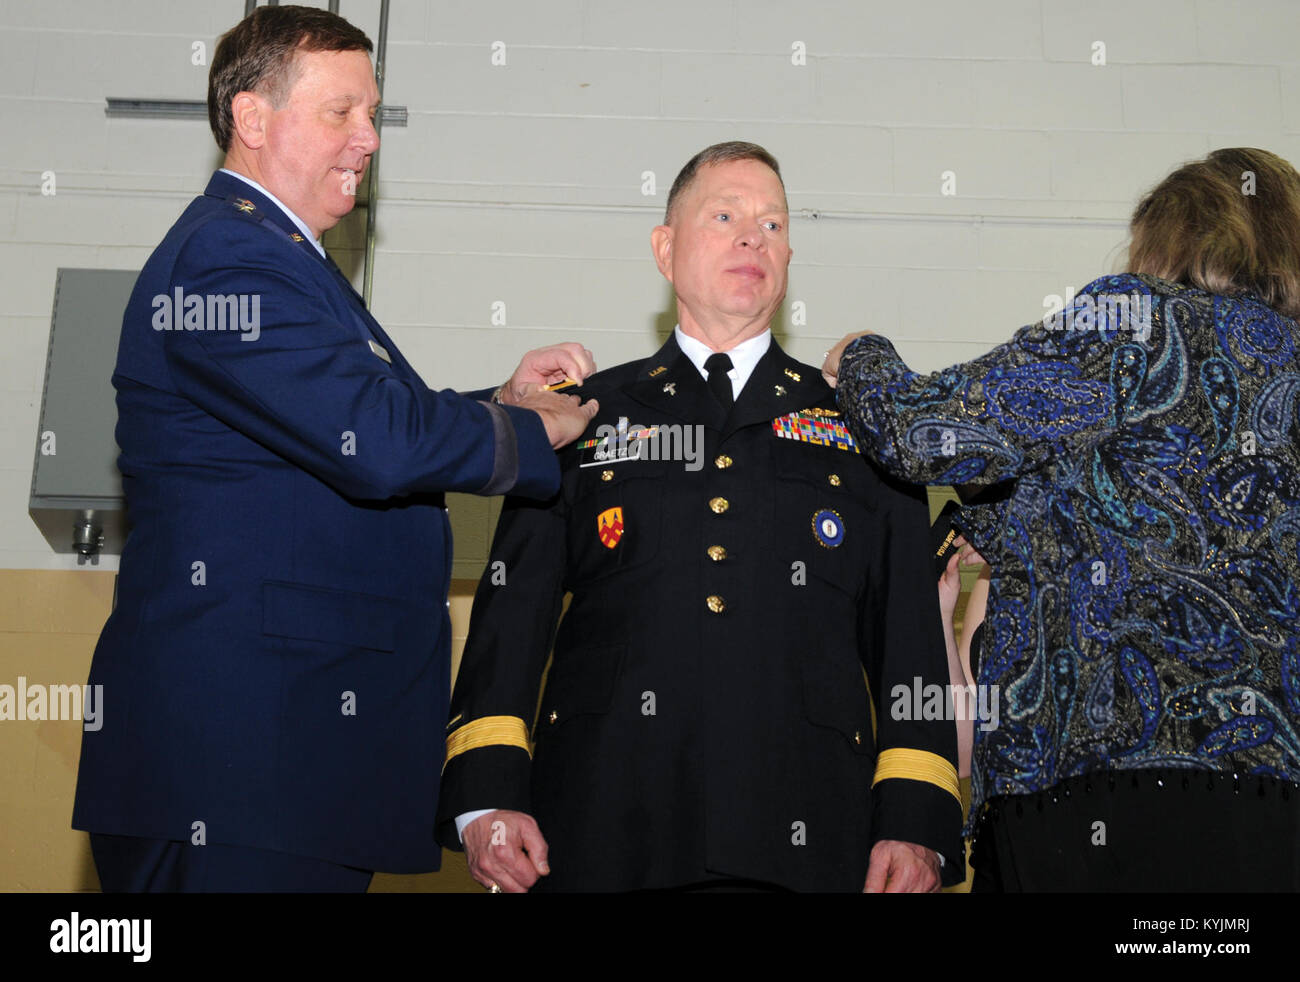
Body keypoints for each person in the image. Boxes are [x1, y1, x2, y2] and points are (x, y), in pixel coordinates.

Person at [71, 4, 598, 893]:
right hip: (242, 759)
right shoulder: (228, 262)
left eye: (373, 114)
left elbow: (348, 418)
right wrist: (526, 432)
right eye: (340, 112)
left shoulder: (282, 259)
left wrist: (496, 404)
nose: (369, 138)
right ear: (252, 119)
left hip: (282, 762)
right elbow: (379, 444)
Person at [436, 142, 965, 892]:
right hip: (602, 826)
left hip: (810, 831)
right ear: (665, 248)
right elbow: (511, 618)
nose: (754, 237)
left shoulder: (861, 425)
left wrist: (916, 820)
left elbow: (909, 637)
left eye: (773, 224)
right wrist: (487, 795)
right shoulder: (581, 415)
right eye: (725, 216)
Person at [825, 147, 1300, 891]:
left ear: (1173, 240)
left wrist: (863, 358)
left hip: (1109, 801)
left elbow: (924, 433)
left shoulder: (1139, 321)